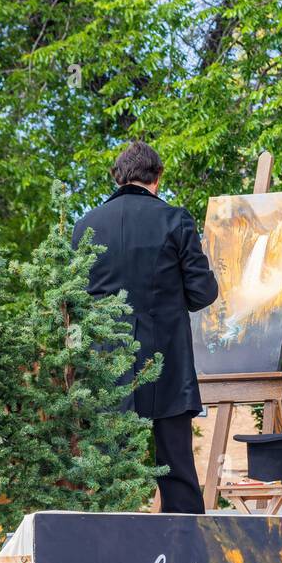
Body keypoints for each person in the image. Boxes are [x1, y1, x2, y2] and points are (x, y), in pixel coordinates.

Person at [72, 141, 219, 514]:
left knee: (107, 468)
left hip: (107, 362)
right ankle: (187, 556)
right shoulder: (176, 220)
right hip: (165, 359)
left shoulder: (85, 226)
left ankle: (105, 554)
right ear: (158, 177)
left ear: (116, 177)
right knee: (176, 467)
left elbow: (75, 301)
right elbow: (202, 293)